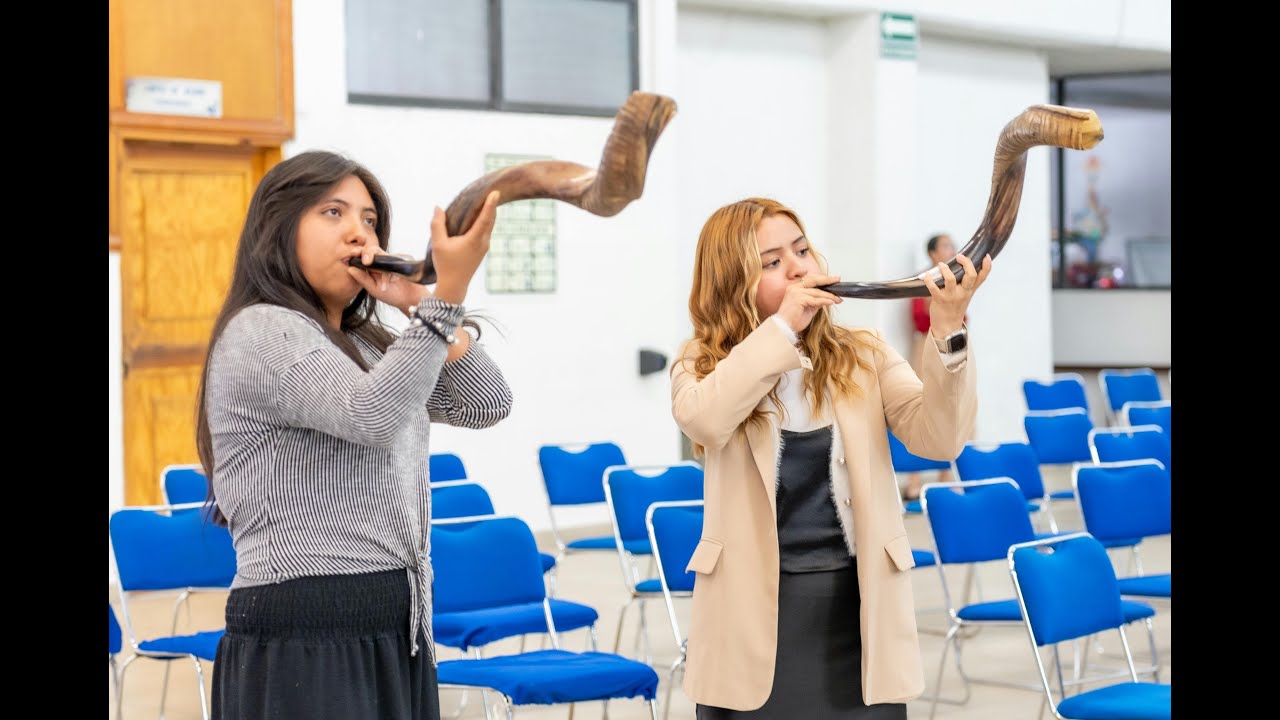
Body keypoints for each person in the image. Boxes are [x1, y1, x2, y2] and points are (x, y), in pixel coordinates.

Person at [194, 150, 514, 720]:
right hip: (307, 633)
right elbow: (371, 415)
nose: (356, 233)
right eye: (333, 213)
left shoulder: (370, 343)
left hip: (394, 622)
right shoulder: (262, 329)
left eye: (369, 220)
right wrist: (445, 304)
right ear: (278, 228)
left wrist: (421, 303)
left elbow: (485, 401)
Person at [670, 198, 989, 718]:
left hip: (860, 612)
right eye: (772, 262)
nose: (798, 267)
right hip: (752, 618)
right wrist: (780, 331)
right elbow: (705, 420)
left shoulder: (864, 352)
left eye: (801, 250)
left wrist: (948, 325)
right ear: (733, 282)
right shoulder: (700, 363)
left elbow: (940, 439)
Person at [902, 232, 963, 500]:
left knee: (952, 408)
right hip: (925, 346)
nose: (952, 250)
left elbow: (961, 316)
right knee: (921, 407)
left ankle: (946, 476)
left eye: (953, 245)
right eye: (946, 246)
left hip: (952, 346)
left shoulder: (959, 280)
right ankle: (915, 477)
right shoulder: (921, 280)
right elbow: (918, 317)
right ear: (933, 253)